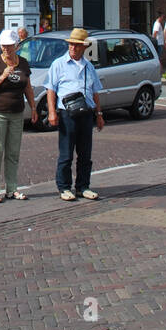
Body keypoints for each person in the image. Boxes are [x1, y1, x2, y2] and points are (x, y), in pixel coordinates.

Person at [45, 28, 104, 201]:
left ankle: (83, 186)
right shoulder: (58, 64)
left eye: (77, 45)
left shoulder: (89, 66)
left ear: (84, 47)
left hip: (86, 113)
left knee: (85, 153)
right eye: (71, 44)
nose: (73, 48)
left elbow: (95, 92)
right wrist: (51, 112)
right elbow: (50, 90)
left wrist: (99, 114)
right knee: (66, 152)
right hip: (67, 114)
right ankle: (64, 187)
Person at [0, 28, 39, 202]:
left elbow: (27, 87)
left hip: (16, 112)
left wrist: (33, 107)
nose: (5, 49)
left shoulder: (23, 63)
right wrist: (2, 77)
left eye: (8, 46)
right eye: (3, 46)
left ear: (15, 45)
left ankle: (12, 188)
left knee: (13, 151)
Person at [152, 11, 166, 76]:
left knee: (159, 57)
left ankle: (159, 71)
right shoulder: (157, 24)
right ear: (160, 17)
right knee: (158, 57)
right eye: (162, 17)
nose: (163, 18)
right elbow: (155, 33)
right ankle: (159, 71)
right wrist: (154, 41)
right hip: (158, 43)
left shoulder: (158, 23)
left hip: (159, 43)